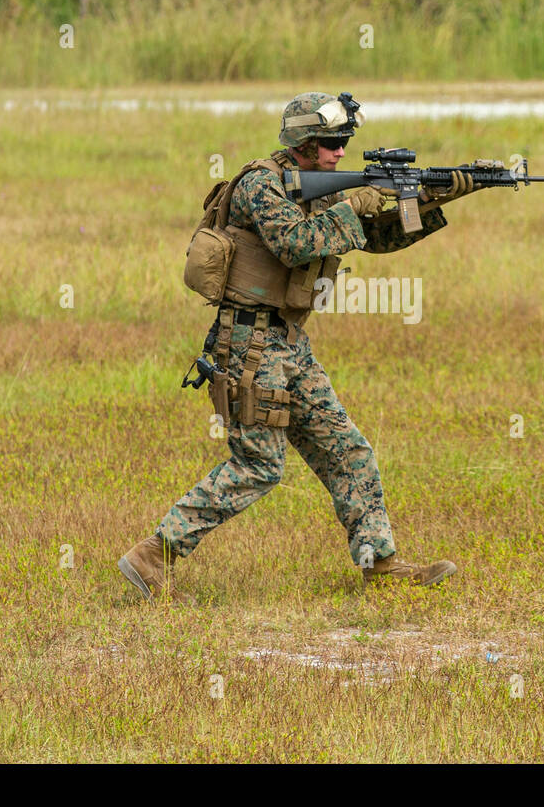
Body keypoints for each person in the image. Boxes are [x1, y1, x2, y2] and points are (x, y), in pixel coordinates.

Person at [119, 92, 478, 603]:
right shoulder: (262, 185)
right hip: (248, 343)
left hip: (288, 341)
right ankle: (152, 556)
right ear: (304, 143)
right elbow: (297, 243)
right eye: (331, 143)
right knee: (258, 466)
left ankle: (380, 564)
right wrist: (355, 203)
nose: (339, 153)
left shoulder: (326, 187)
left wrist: (434, 198)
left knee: (347, 450)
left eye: (344, 143)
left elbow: (374, 239)